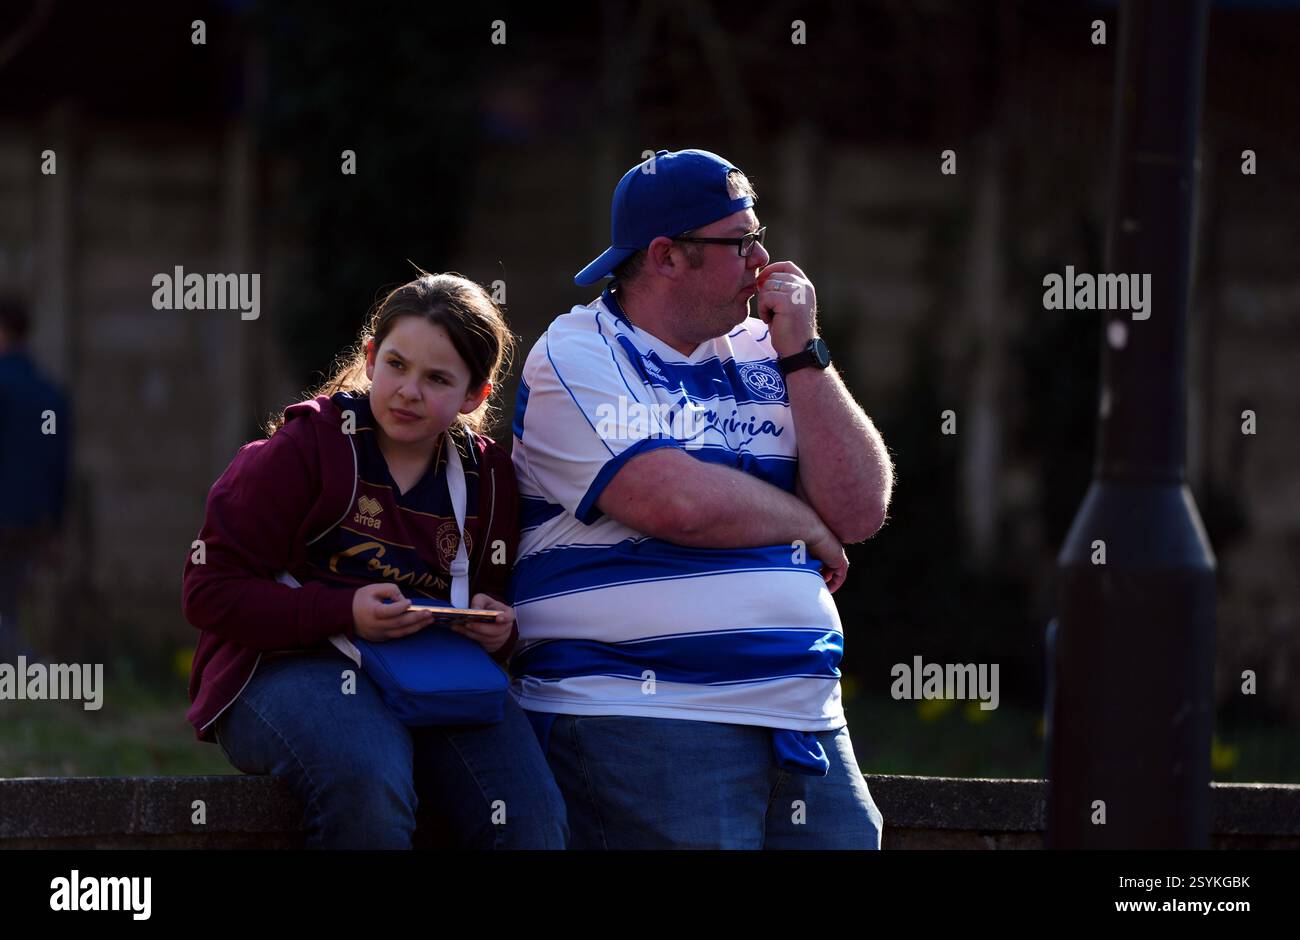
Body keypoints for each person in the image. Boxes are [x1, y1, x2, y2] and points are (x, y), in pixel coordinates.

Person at [508, 149, 895, 849]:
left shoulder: (768, 347)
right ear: (666, 256)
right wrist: (802, 522)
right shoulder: (578, 352)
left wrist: (804, 353)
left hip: (804, 718)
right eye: (739, 242)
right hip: (644, 711)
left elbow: (861, 511)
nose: (763, 259)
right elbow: (669, 501)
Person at [182, 272, 567, 849]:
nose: (408, 390)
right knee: (367, 785)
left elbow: (496, 599)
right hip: (288, 667)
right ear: (369, 358)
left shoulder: (489, 477)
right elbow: (208, 592)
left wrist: (497, 628)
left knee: (530, 820)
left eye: (437, 378)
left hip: (434, 676)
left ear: (474, 396)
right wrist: (342, 612)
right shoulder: (301, 449)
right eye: (396, 364)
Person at [0, 295, 70, 663]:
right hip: (32, 522)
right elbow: (56, 462)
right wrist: (54, 525)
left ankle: (28, 671)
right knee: (10, 605)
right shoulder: (49, 395)